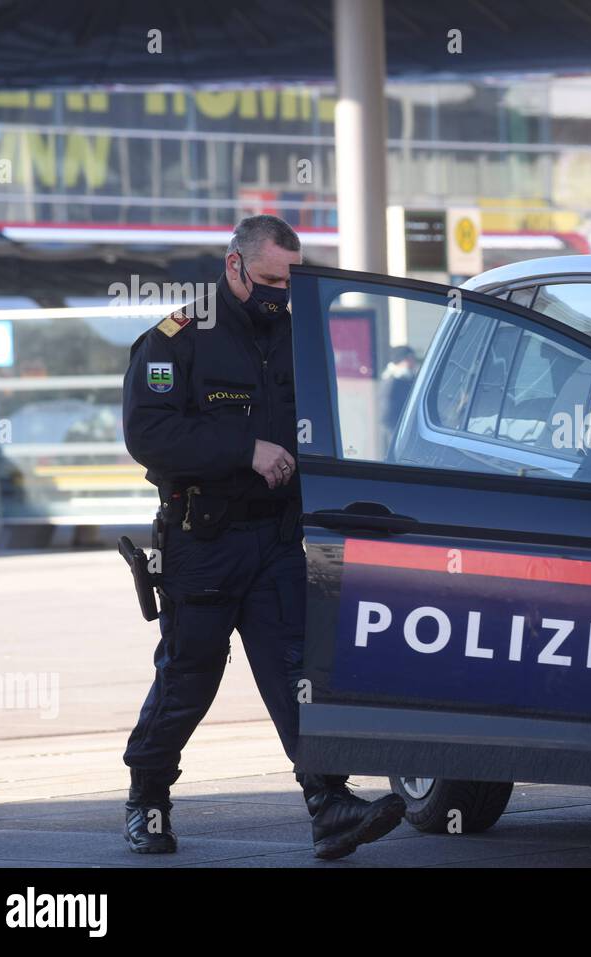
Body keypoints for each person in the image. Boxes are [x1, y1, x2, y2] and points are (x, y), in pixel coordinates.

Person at [120, 214, 405, 859]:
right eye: (271, 279)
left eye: (292, 281)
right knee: (190, 675)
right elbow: (149, 436)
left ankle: (328, 803)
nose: (282, 293)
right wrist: (244, 449)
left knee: (296, 672)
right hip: (203, 540)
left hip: (277, 537)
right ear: (234, 267)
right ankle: (148, 800)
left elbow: (326, 427)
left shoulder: (301, 333)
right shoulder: (179, 338)